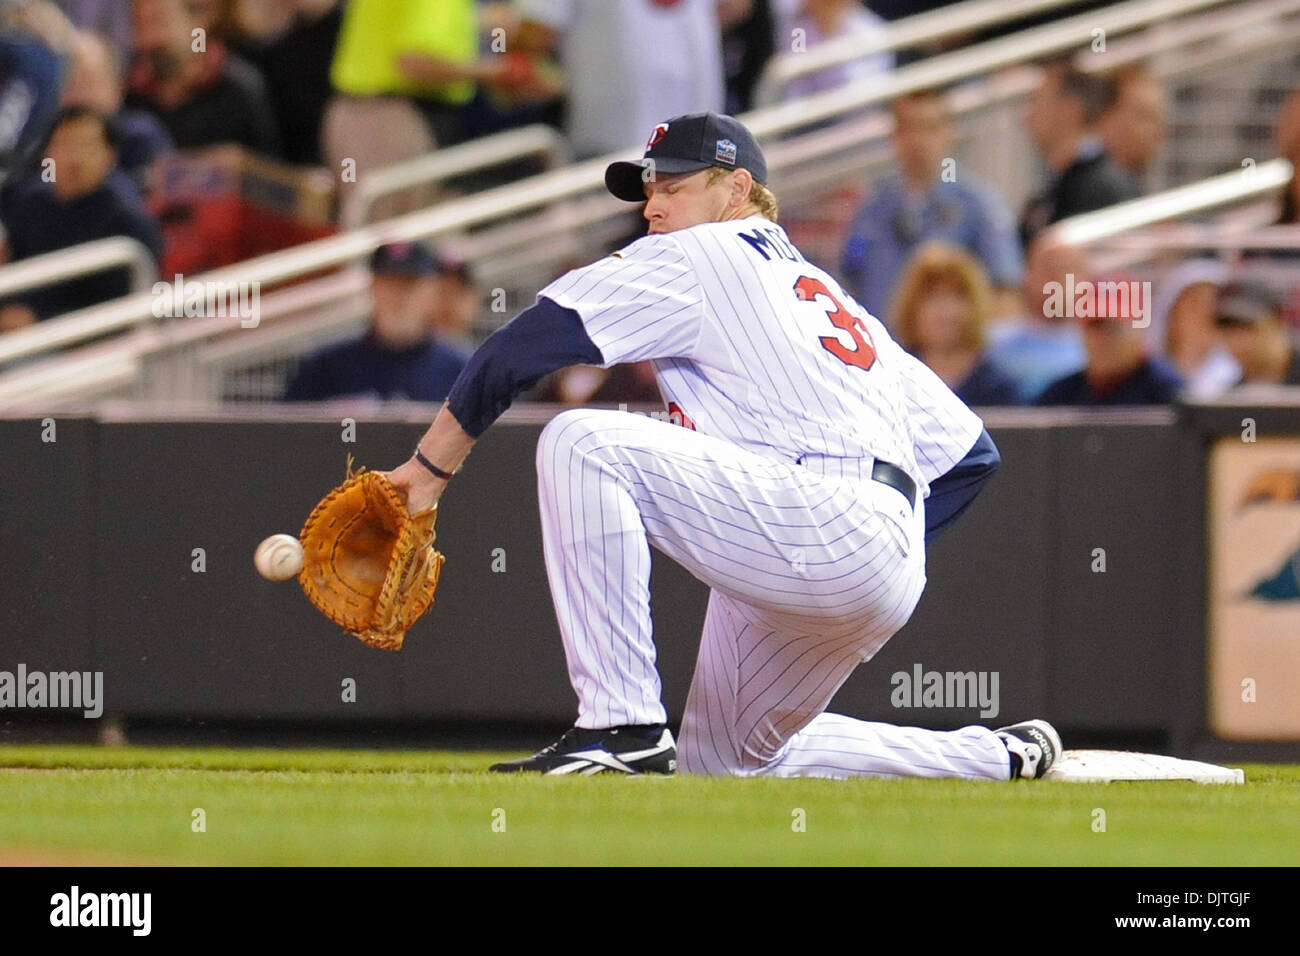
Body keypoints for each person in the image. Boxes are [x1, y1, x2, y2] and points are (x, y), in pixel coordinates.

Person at [382, 111, 1062, 781]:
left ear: (736, 191)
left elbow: (525, 344)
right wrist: (878, 553)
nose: (653, 207)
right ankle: (994, 757)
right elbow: (971, 456)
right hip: (875, 553)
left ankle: (620, 727)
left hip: (818, 513)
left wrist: (427, 470)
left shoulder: (702, 252)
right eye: (648, 191)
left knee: (581, 442)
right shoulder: (826, 295)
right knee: (725, 760)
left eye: (673, 187)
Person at [840, 88, 1023, 322]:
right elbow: (849, 279)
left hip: (950, 352)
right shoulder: (871, 211)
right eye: (909, 128)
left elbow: (1005, 294)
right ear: (894, 135)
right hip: (881, 347)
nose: (919, 140)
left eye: (930, 127)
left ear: (950, 133)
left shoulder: (980, 207)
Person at [0, 105, 163, 328]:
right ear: (47, 154)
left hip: (82, 346)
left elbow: (121, 313)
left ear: (109, 155)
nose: (75, 158)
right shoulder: (29, 207)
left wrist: (39, 320)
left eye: (86, 146)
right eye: (64, 144)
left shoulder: (128, 223)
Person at [283, 242, 468, 401]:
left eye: (408, 284)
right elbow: (286, 435)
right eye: (389, 283)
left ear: (432, 291)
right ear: (372, 287)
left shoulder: (462, 372)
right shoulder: (325, 366)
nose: (398, 295)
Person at [1019, 62, 1140, 248]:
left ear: (1070, 110)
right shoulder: (1063, 182)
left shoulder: (1101, 188)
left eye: (1036, 100)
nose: (1027, 115)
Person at [890, 242, 1020, 406]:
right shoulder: (891, 378)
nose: (944, 310)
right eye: (933, 296)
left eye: (957, 297)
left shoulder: (999, 389)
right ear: (912, 306)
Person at [1034, 273, 1182, 406]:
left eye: (1114, 327)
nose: (1103, 338)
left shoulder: (1169, 395)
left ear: (1140, 329)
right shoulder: (1059, 397)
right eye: (1095, 324)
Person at [1148, 259, 1238, 398]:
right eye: (1195, 304)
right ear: (1172, 310)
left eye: (1214, 304)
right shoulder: (1146, 375)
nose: (1205, 313)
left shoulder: (1234, 378)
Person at [1216, 279, 1300, 386]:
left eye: (1246, 326)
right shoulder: (1226, 387)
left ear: (1278, 319)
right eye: (1227, 328)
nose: (1237, 341)